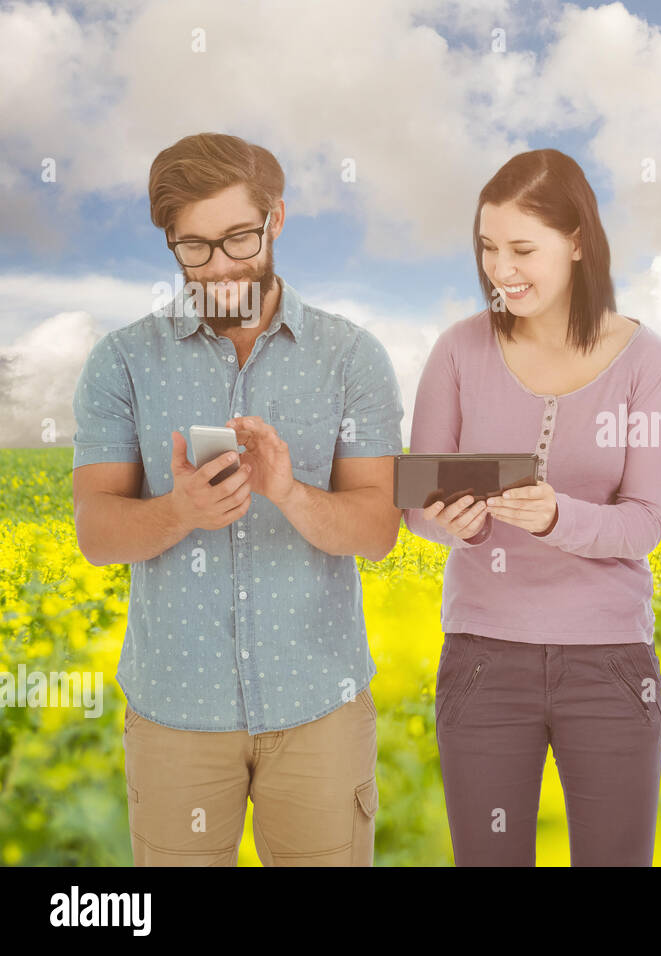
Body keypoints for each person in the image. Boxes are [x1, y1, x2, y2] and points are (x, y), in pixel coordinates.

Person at [71, 132, 403, 866]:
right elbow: (96, 530)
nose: (218, 267)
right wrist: (178, 513)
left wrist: (288, 492)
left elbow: (379, 529)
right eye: (193, 247)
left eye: (238, 238)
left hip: (321, 706)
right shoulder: (122, 361)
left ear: (276, 219)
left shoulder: (352, 357)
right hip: (174, 717)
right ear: (169, 242)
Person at [403, 148, 661, 866]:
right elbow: (415, 506)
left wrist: (561, 517)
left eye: (522, 249)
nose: (502, 269)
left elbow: (645, 522)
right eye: (489, 248)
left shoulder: (647, 364)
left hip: (611, 667)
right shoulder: (458, 351)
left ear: (578, 242)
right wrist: (446, 522)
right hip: (482, 665)